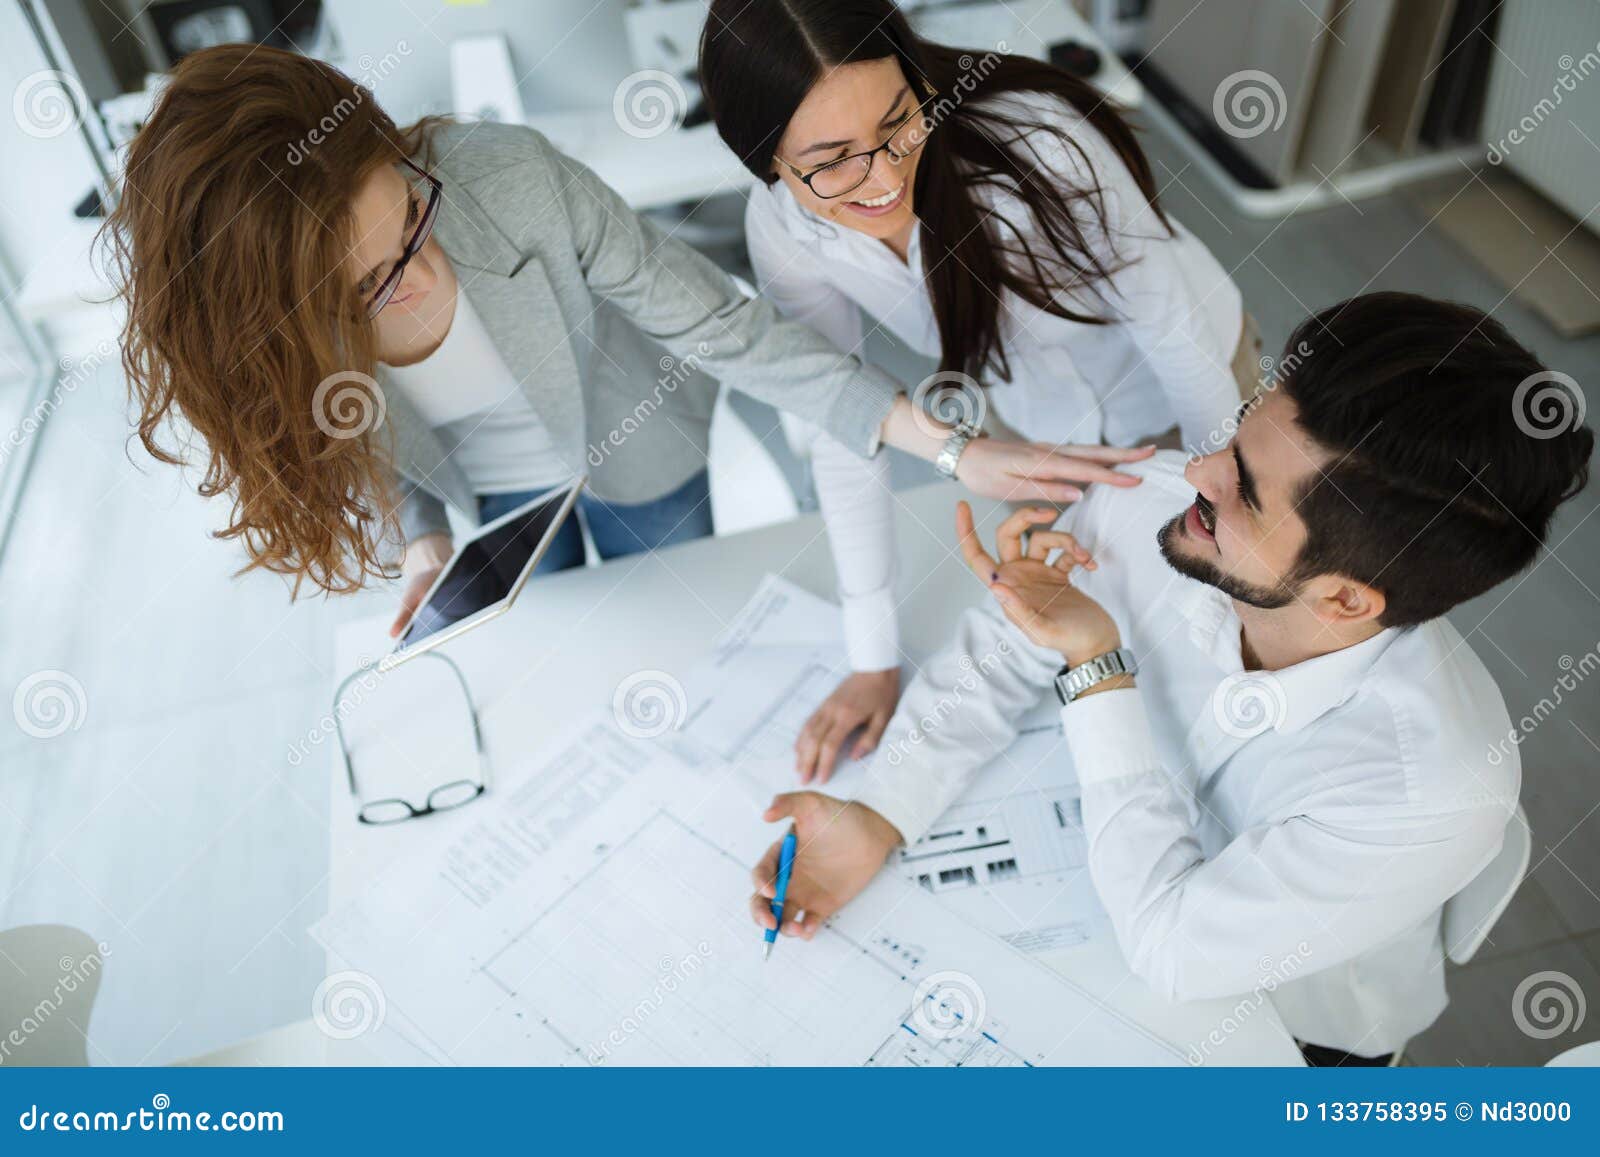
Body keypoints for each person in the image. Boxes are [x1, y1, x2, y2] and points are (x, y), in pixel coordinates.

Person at [743, 293, 1593, 1065]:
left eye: (1245, 492)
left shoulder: (1431, 790)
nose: (1194, 472)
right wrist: (883, 808)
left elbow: (1173, 949)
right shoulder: (1161, 502)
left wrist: (1097, 666)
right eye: (1235, 435)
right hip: (1099, 901)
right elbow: (1009, 648)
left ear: (1343, 596)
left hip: (1300, 1034)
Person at [106, 44, 1115, 633]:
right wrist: (421, 537)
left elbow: (720, 324)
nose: (410, 282)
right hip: (491, 499)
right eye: (360, 287)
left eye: (410, 222)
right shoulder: (261, 335)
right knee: (548, 646)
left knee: (663, 632)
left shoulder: (505, 178)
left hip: (637, 442)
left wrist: (949, 445)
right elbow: (344, 426)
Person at [700, 0, 1256, 783]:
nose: (886, 176)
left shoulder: (1039, 139)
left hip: (1192, 382)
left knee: (1219, 617)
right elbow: (838, 411)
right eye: (832, 161)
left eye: (899, 124)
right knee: (1115, 625)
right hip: (1037, 426)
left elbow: (1174, 329)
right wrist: (872, 655)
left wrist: (1236, 530)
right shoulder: (785, 228)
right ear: (765, 162)